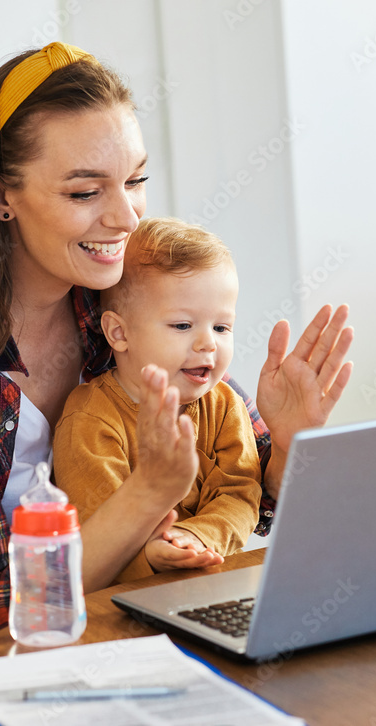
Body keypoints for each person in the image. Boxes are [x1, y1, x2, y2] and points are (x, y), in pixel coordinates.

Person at [0, 42, 353, 725]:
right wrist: (148, 495)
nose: (127, 218)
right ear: (1, 197)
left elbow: (249, 505)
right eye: (85, 191)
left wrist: (290, 441)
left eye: (134, 181)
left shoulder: (124, 309)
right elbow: (2, 607)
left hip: (127, 641)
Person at [54, 217, 262, 585]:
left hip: (212, 581)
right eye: (183, 326)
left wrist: (197, 537)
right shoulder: (90, 417)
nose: (208, 344)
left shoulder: (225, 402)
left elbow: (240, 492)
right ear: (119, 332)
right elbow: (97, 526)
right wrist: (153, 553)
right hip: (123, 599)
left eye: (221, 327)